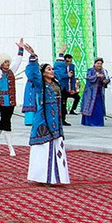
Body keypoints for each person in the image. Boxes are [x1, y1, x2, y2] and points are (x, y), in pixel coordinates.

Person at [22, 43, 69, 185]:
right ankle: (42, 177)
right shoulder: (40, 84)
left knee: (56, 147)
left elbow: (59, 70)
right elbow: (33, 73)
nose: (52, 71)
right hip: (43, 121)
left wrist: (60, 54)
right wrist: (33, 55)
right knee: (43, 149)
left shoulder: (56, 83)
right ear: (43, 73)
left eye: (52, 69)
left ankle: (57, 177)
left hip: (56, 122)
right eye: (49, 69)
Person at [0, 40, 25, 156]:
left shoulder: (11, 72)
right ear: (1, 63)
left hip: (11, 101)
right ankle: (10, 148)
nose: (7, 64)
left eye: (8, 62)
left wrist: (20, 49)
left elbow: (18, 61)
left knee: (3, 122)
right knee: (6, 123)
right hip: (3, 102)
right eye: (5, 62)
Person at [80, 57, 111, 127]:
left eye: (101, 63)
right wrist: (96, 76)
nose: (99, 65)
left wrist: (105, 81)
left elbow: (107, 79)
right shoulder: (90, 70)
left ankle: (98, 122)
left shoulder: (104, 71)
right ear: (95, 64)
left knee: (98, 107)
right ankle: (89, 122)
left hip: (99, 92)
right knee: (89, 106)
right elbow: (89, 77)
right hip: (90, 92)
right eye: (98, 63)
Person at [53, 50, 79, 121]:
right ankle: (61, 118)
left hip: (67, 87)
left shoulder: (71, 66)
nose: (69, 63)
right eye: (67, 61)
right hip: (60, 86)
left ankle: (71, 110)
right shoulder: (60, 67)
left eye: (70, 61)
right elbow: (59, 75)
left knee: (76, 97)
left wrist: (73, 88)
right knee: (62, 103)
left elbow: (73, 78)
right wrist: (67, 75)